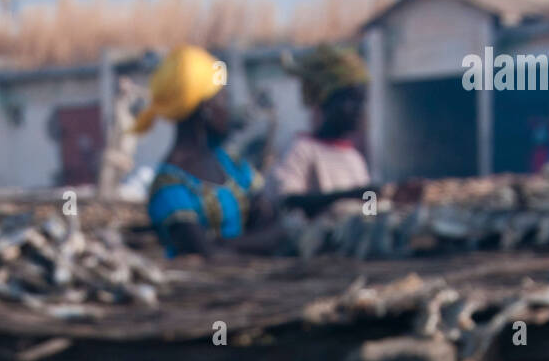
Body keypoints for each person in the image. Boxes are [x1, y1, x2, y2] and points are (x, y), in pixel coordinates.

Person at [135, 45, 282, 258]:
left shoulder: (230, 163)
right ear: (206, 108)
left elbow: (276, 228)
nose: (229, 108)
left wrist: (225, 244)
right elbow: (205, 254)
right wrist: (256, 242)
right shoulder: (168, 187)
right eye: (223, 97)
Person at [267, 44, 372, 218]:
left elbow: (368, 214)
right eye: (350, 100)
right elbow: (286, 202)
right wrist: (351, 195)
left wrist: (386, 196)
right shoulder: (301, 151)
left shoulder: (354, 158)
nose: (358, 110)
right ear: (325, 101)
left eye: (361, 102)